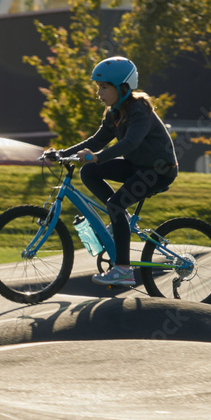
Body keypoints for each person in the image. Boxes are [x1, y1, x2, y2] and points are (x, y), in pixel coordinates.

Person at [49, 56, 178, 286]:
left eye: (104, 87)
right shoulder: (115, 112)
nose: (99, 93)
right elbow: (97, 141)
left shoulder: (139, 109)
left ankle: (123, 270)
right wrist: (61, 153)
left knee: (115, 204)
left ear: (123, 87)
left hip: (158, 171)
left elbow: (130, 143)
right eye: (98, 87)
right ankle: (122, 220)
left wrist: (98, 157)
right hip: (137, 166)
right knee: (88, 172)